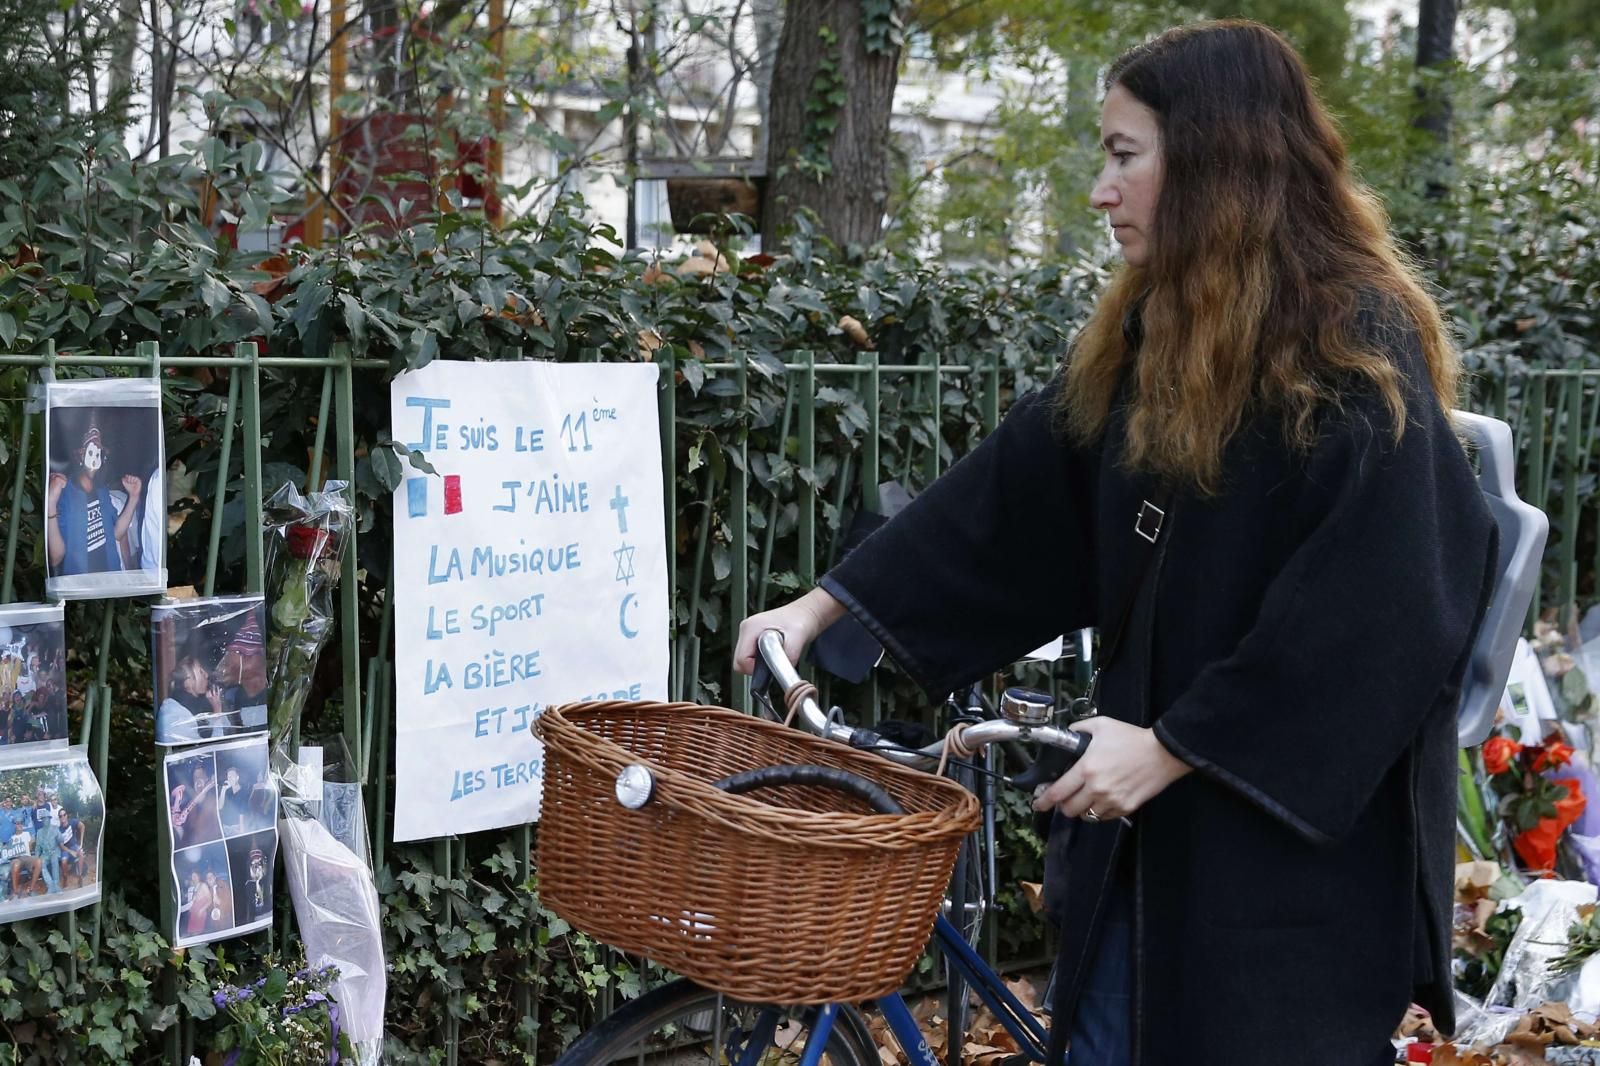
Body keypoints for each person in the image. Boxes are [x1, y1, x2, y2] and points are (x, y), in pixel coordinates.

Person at [734, 21, 1498, 1066]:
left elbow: (1385, 606)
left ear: (1217, 161)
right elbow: (1020, 486)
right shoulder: (1166, 323)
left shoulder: (1351, 344)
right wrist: (825, 604)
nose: (1102, 190)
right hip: (1143, 848)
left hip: (1277, 885)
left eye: (1124, 155)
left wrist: (1177, 744)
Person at [45, 420, 143, 577]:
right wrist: (51, 503)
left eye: (99, 448)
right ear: (79, 453)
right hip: (80, 585)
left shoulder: (101, 491)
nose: (96, 442)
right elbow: (56, 557)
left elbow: (116, 534)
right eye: (90, 437)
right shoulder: (64, 492)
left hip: (109, 580)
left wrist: (133, 497)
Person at [157, 657, 223, 744]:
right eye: (201, 672)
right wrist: (218, 712)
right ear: (188, 682)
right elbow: (214, 748)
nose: (206, 675)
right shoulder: (177, 715)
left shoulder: (188, 707)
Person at [57, 807, 85, 887]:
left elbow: (82, 826)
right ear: (59, 818)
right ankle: (65, 877)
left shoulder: (72, 822)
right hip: (65, 850)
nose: (63, 817)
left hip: (74, 846)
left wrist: (81, 844)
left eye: (64, 815)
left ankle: (80, 876)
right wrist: (71, 852)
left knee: (81, 853)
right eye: (60, 816)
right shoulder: (59, 830)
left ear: (67, 815)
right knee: (63, 861)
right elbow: (61, 846)